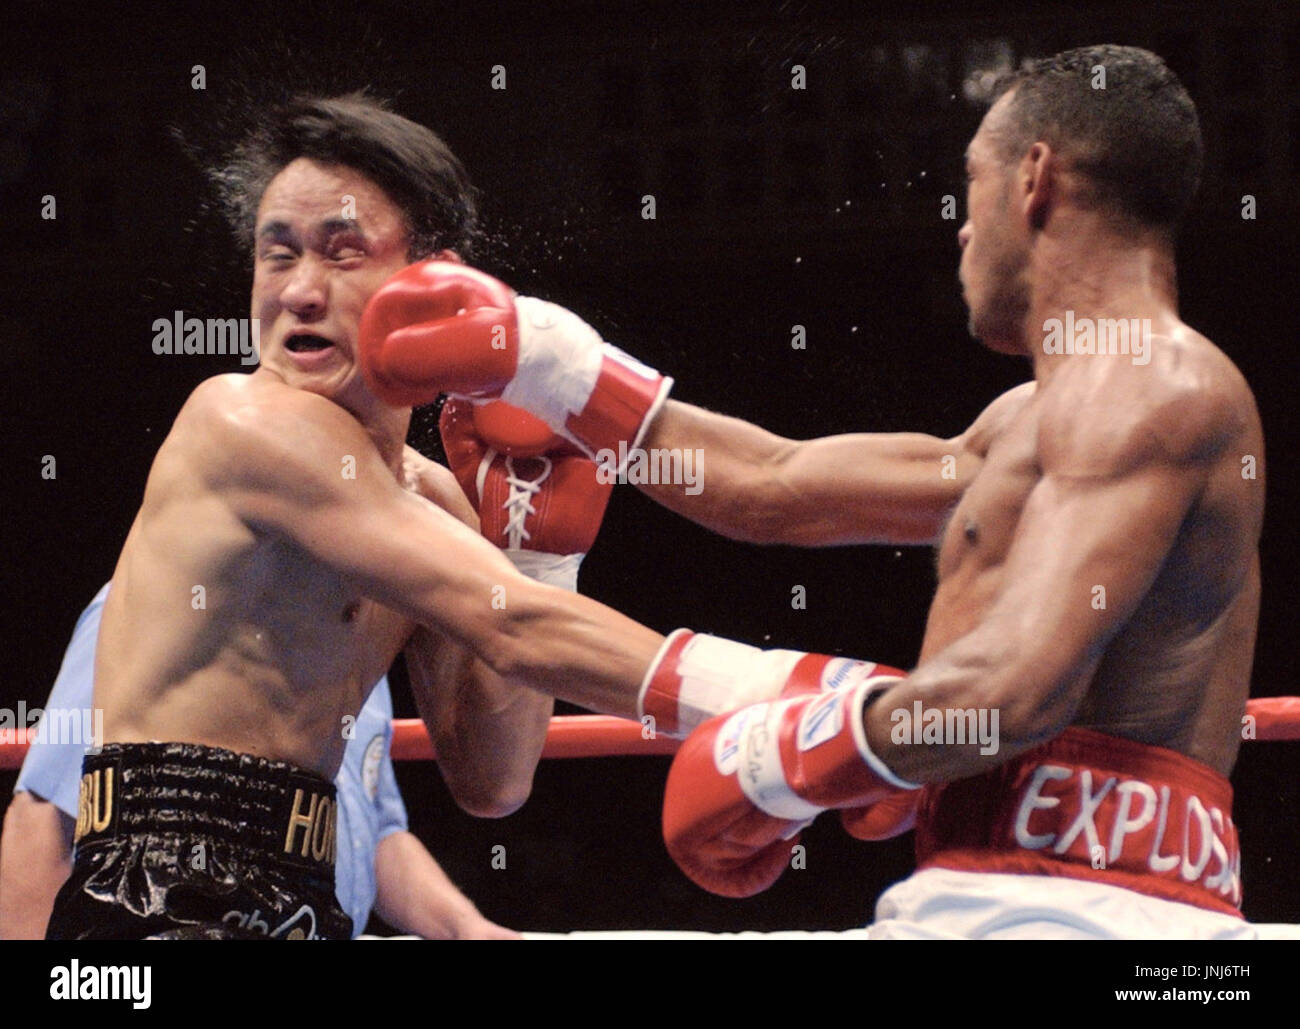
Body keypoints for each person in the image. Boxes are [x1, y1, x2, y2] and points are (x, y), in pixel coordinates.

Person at [361, 46, 1269, 938]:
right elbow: (772, 486)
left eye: (970, 182)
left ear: (1034, 178)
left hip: (1090, 909)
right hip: (994, 891)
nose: (959, 227)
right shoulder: (1026, 424)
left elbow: (1007, 695)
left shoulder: (1157, 383)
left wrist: (778, 756)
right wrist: (544, 359)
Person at [48, 92, 873, 939]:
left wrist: (537, 555)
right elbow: (515, 624)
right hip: (151, 895)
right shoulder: (237, 421)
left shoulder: (428, 500)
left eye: (341, 254)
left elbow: (494, 778)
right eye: (277, 256)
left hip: (305, 887)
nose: (299, 291)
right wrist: (801, 700)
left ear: (426, 282)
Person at [0, 584, 517, 939]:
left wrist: (464, 927)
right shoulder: (161, 605)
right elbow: (41, 819)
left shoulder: (358, 632)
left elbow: (377, 836)